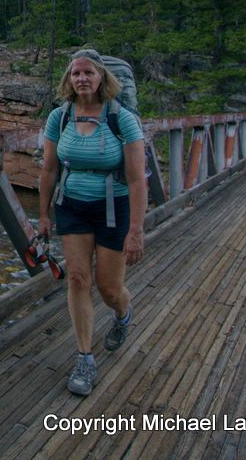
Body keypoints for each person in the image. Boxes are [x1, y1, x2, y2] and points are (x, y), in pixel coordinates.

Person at [38, 48, 147, 396]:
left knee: (109, 288)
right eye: (75, 74)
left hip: (113, 208)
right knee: (78, 278)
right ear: (68, 80)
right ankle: (84, 357)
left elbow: (135, 180)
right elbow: (49, 169)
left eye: (88, 73)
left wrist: (136, 231)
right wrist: (42, 215)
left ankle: (123, 313)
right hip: (72, 206)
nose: (82, 78)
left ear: (102, 78)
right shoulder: (60, 117)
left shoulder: (122, 119)